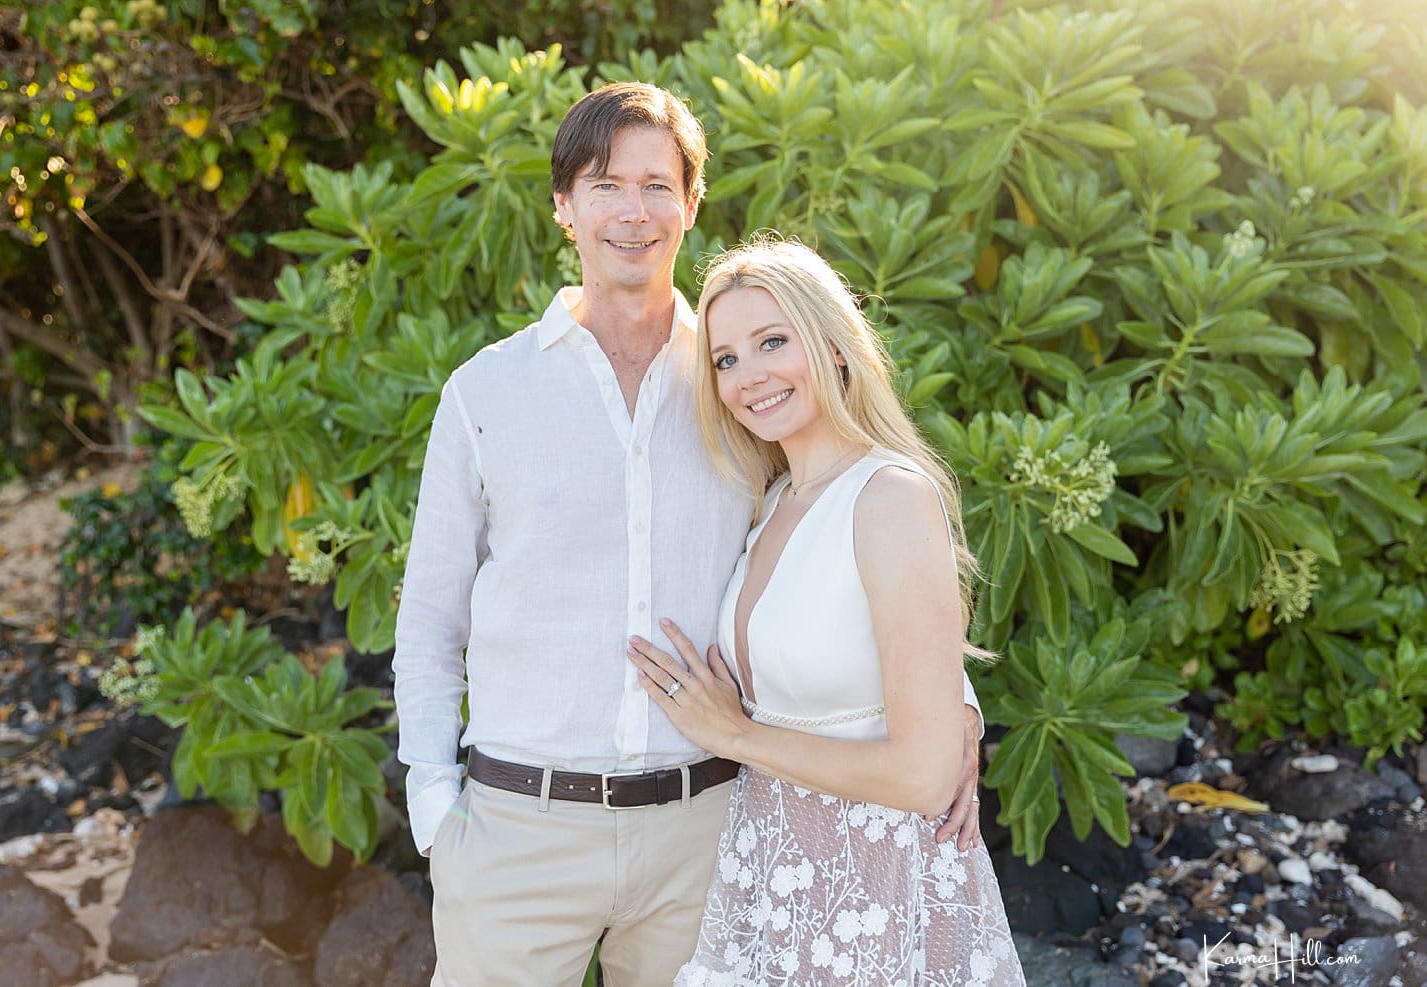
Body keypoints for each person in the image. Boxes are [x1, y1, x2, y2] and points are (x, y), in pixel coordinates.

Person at [392, 82, 987, 987]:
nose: (633, 211)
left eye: (656, 184)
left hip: (709, 833)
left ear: (691, 203)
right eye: (604, 184)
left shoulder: (737, 381)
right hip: (520, 833)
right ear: (563, 206)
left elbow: (842, 555)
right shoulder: (487, 393)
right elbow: (431, 615)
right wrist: (434, 806)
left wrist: (952, 717)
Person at [626, 238, 1025, 985]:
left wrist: (736, 735)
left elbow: (924, 776)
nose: (750, 376)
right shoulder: (772, 499)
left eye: (773, 341)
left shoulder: (890, 496)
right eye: (726, 359)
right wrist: (959, 708)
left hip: (882, 882)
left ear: (836, 346)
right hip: (776, 874)